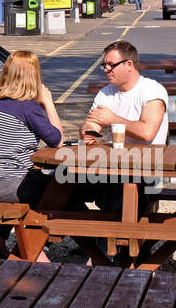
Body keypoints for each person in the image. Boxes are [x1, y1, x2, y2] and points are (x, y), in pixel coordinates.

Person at [70, 40, 169, 233]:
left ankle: (109, 247)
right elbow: (92, 123)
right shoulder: (106, 93)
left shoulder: (152, 91)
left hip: (145, 169)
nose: (106, 69)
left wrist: (114, 119)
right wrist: (88, 132)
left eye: (111, 65)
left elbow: (147, 132)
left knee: (118, 193)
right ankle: (93, 242)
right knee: (59, 182)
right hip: (111, 167)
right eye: (104, 65)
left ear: (129, 65)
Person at [0, 51, 64, 259]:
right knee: (62, 187)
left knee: (36, 182)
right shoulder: (28, 106)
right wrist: (48, 102)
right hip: (7, 183)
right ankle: (36, 252)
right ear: (34, 77)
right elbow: (57, 140)